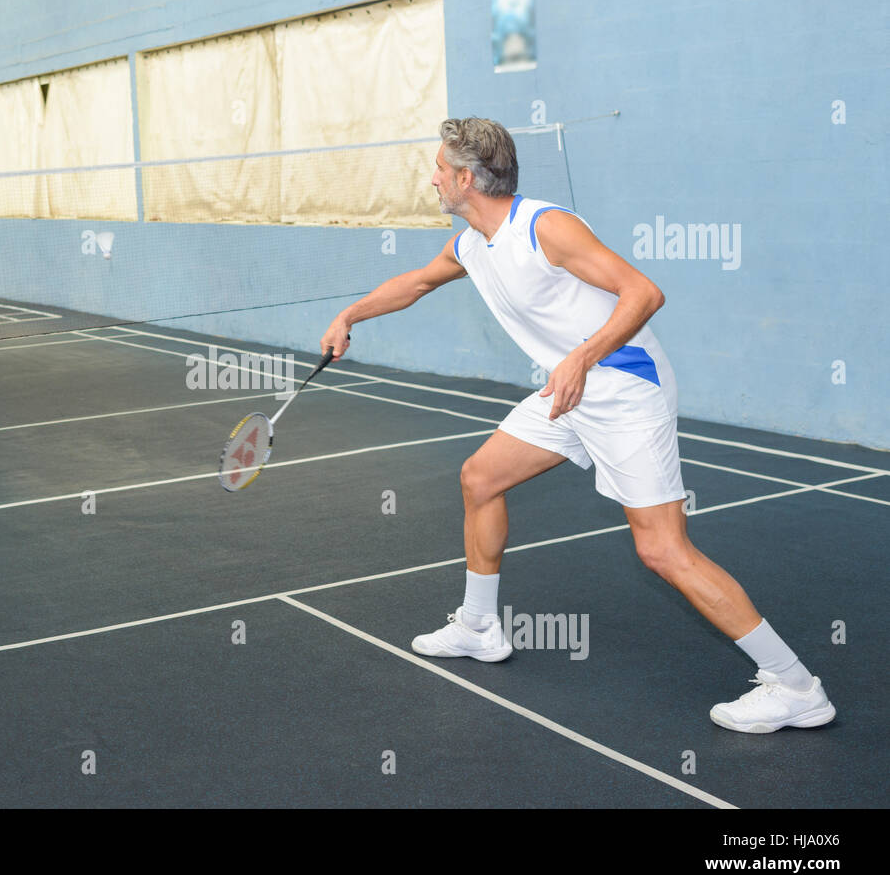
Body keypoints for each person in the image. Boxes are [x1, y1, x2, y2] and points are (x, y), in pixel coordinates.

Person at [319, 117, 834, 733]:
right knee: (481, 478)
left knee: (663, 550)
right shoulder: (472, 244)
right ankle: (480, 625)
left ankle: (796, 685)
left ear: (464, 177)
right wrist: (352, 313)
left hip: (622, 389)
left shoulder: (545, 227)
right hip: (567, 393)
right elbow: (418, 282)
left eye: (438, 169)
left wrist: (581, 357)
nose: (431, 180)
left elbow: (643, 292)